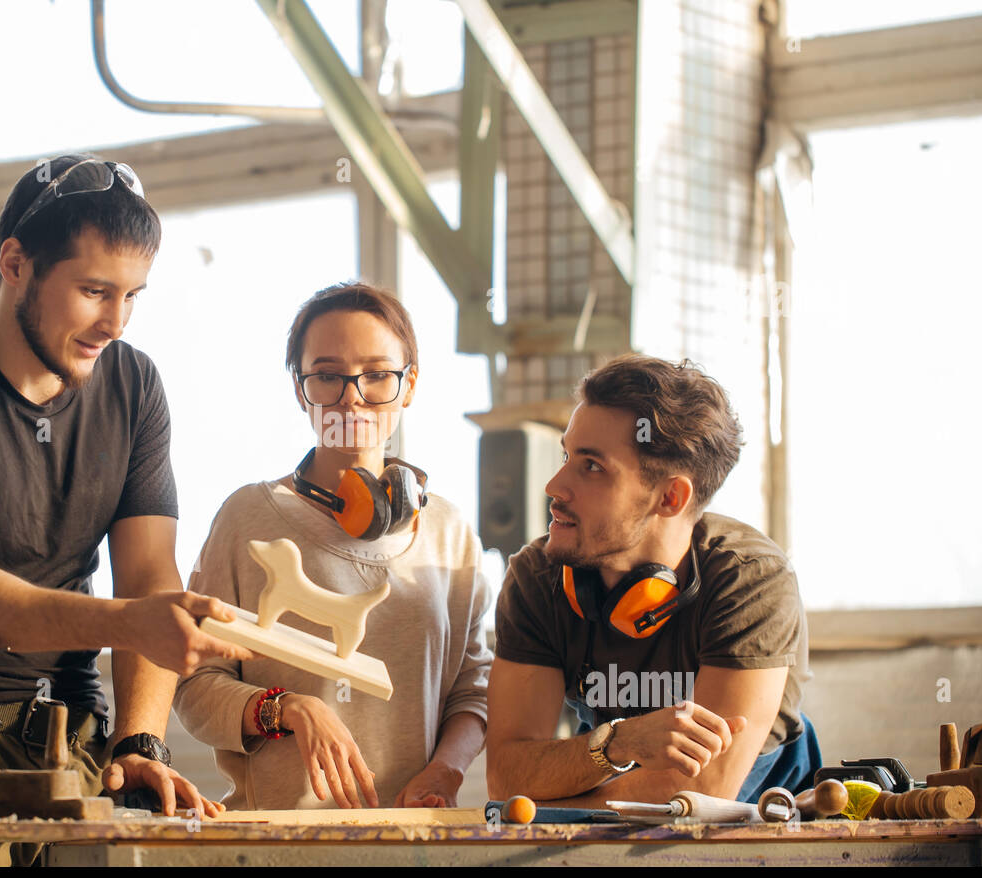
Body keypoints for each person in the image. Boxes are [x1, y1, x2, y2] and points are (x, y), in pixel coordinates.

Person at [0, 153, 250, 866]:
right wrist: (126, 623)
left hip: (73, 737)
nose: (115, 322)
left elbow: (149, 574)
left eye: (132, 296)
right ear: (15, 264)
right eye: (93, 291)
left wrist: (139, 741)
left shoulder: (134, 386)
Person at [173, 282, 492, 810]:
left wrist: (446, 770)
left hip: (413, 841)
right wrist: (284, 709)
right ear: (301, 389)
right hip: (278, 843)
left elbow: (472, 691)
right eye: (327, 375)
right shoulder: (246, 517)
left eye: (377, 374)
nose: (352, 396)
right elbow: (195, 685)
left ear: (408, 385)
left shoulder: (450, 533)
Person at [487, 354, 821, 809]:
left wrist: (548, 801)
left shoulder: (751, 580)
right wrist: (618, 743)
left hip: (760, 836)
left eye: (591, 467)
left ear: (670, 497)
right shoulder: (538, 578)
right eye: (567, 455)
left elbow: (694, 796)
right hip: (608, 831)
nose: (554, 485)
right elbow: (507, 778)